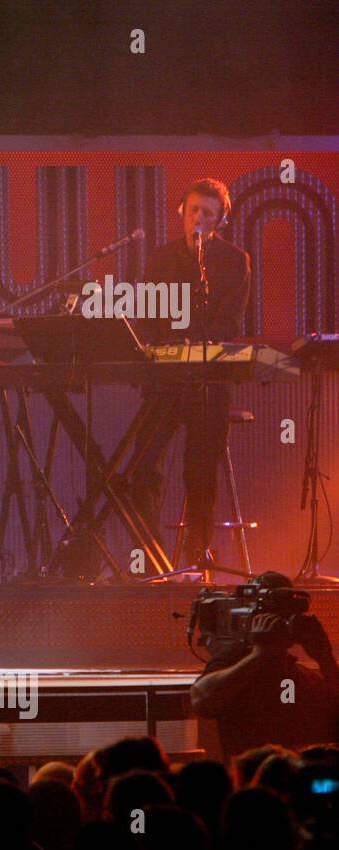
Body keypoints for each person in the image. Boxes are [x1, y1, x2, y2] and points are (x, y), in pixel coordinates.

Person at [132, 178, 251, 568]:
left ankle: (196, 553)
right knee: (144, 464)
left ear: (220, 221)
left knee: (200, 470)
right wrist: (154, 349)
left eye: (209, 213)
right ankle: (151, 557)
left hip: (208, 381)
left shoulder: (235, 261)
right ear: (182, 210)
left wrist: (189, 346)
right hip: (165, 380)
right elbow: (147, 315)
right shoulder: (161, 258)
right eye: (194, 209)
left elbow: (228, 324)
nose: (199, 218)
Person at [189, 572, 339, 758]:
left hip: (292, 779)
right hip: (251, 776)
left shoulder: (299, 674)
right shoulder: (234, 658)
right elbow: (202, 700)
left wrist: (325, 658)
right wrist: (261, 654)